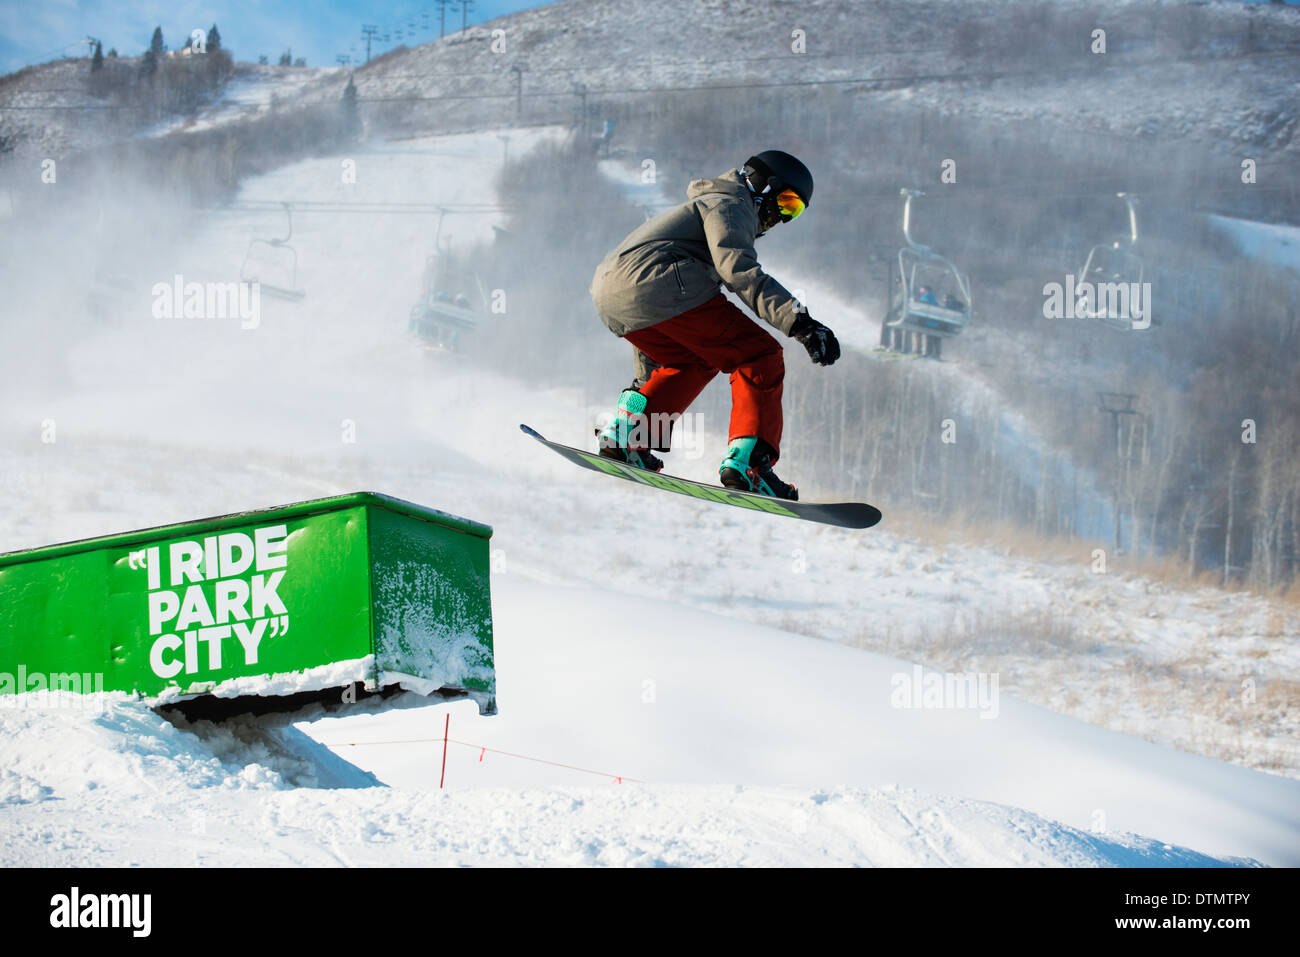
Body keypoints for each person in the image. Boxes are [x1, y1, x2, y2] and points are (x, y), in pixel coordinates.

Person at [588, 150, 840, 500]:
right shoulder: (730, 203)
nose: (782, 217)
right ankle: (749, 463)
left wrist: (645, 388)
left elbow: (644, 296)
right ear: (762, 185)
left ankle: (630, 435)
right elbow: (737, 269)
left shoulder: (704, 207)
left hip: (611, 294)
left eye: (793, 212)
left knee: (692, 359)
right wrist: (801, 322)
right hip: (662, 285)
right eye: (786, 202)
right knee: (760, 354)